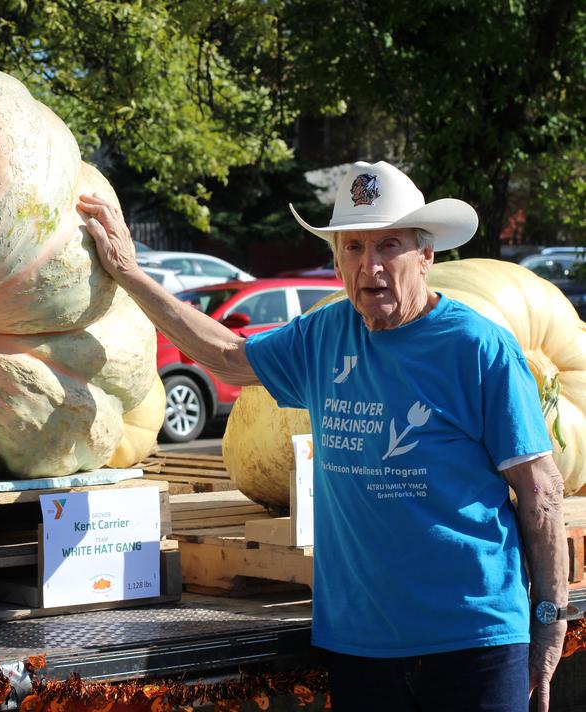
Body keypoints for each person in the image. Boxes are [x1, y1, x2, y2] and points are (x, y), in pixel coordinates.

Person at [78, 160, 571, 712]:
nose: (370, 265)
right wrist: (129, 272)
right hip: (360, 643)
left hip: (473, 638)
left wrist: (551, 619)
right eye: (353, 247)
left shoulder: (477, 348)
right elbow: (226, 355)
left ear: (426, 255)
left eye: (388, 245)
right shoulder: (323, 335)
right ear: (336, 261)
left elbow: (542, 492)